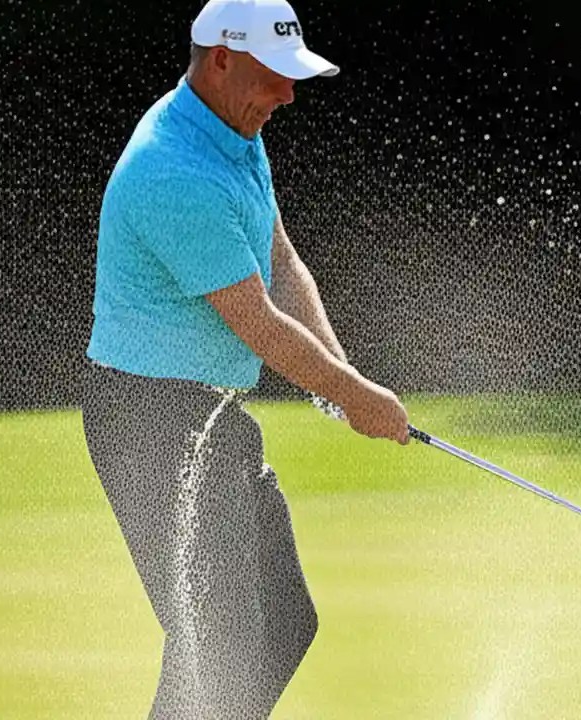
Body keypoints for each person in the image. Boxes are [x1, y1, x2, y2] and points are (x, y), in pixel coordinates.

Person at [80, 0, 409, 716]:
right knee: (214, 641)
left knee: (286, 620)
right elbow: (257, 322)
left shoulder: (234, 131)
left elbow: (281, 261)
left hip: (209, 415)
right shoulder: (174, 171)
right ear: (223, 59)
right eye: (274, 76)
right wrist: (356, 397)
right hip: (150, 426)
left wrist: (337, 371)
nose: (288, 95)